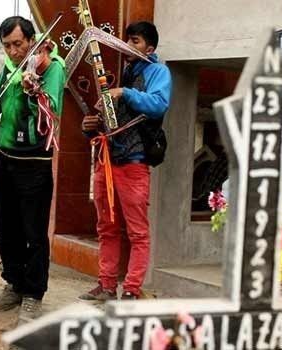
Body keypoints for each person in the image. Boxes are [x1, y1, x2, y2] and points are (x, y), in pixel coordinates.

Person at [0, 16, 66, 323]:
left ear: (31, 40)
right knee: (6, 227)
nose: (13, 52)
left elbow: (52, 108)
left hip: (34, 161)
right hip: (5, 157)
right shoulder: (9, 66)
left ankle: (33, 294)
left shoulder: (51, 66)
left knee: (34, 231)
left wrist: (33, 91)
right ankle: (14, 284)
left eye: (18, 44)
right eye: (7, 46)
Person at [78, 21, 172, 301]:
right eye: (127, 41)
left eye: (136, 42)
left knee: (137, 231)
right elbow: (114, 118)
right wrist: (91, 124)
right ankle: (107, 285)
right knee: (106, 227)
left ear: (150, 48)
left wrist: (124, 92)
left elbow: (159, 104)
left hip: (134, 161)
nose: (128, 46)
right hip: (107, 160)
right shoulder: (123, 71)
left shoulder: (158, 72)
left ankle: (131, 289)